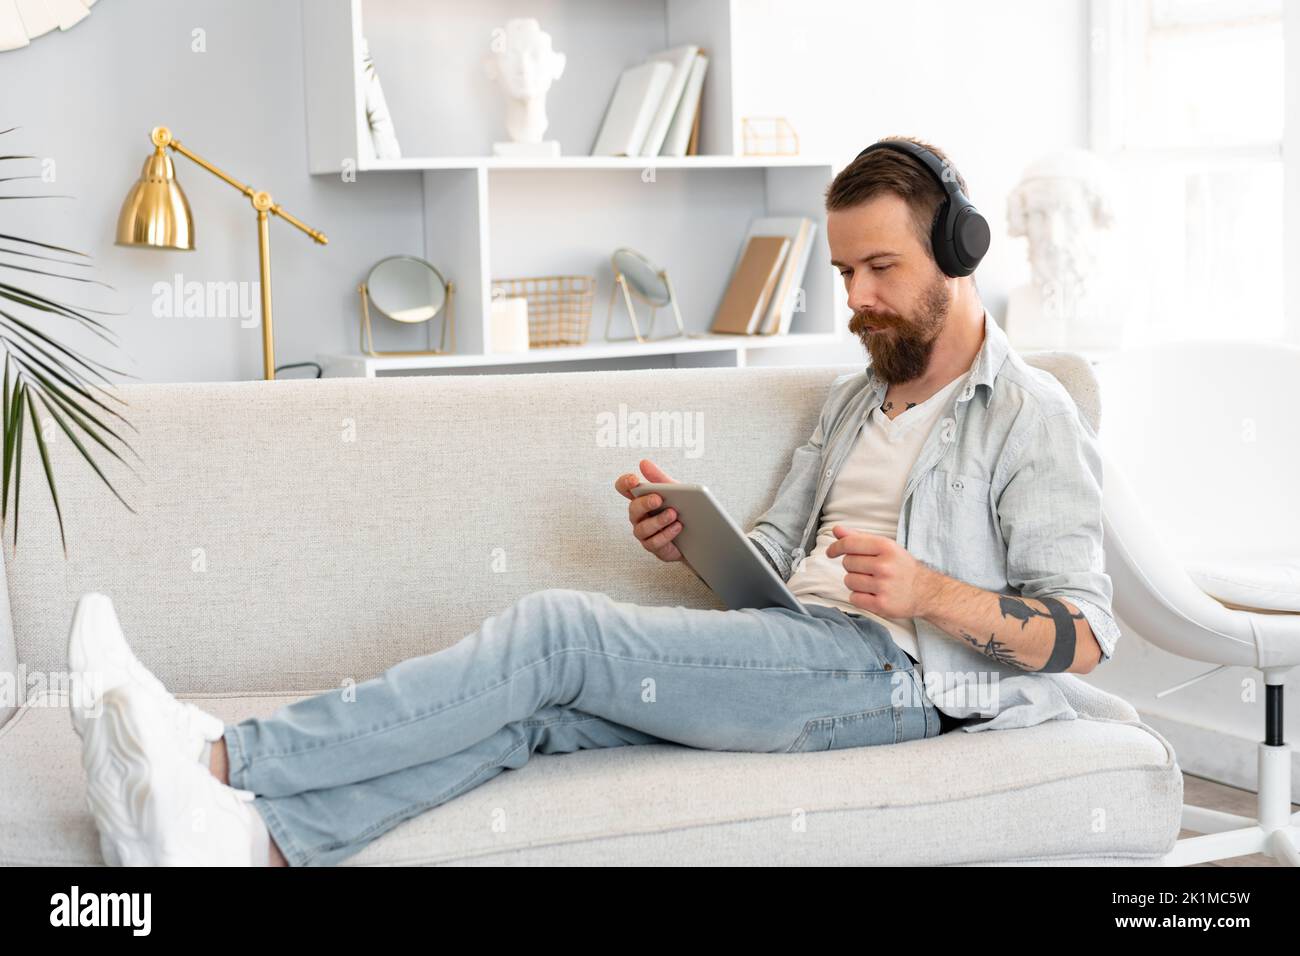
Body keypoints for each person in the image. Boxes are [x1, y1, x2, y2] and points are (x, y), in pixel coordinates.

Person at [70, 135, 1118, 867]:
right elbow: (770, 546)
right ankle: (246, 845)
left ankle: (220, 755)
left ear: (958, 249)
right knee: (546, 711)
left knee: (557, 633)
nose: (855, 299)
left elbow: (1084, 633)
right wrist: (694, 544)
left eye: (879, 268)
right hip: (795, 643)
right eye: (843, 272)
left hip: (890, 677)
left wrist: (933, 591)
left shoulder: (1030, 414)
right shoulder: (856, 399)